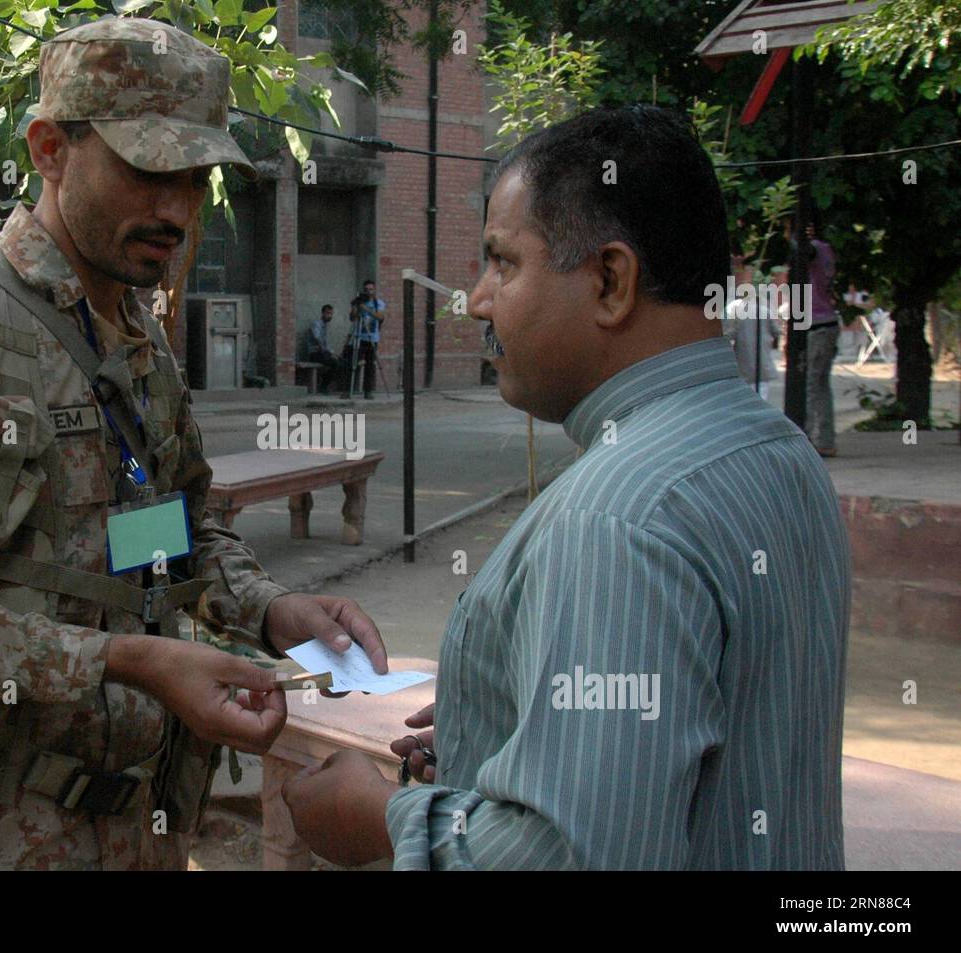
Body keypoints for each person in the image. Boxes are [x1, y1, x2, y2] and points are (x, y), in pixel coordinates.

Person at [0, 16, 386, 871]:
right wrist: (123, 660)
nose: (175, 209)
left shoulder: (138, 340)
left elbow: (161, 537)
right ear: (48, 148)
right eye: (147, 169)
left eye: (194, 178)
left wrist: (268, 610)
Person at [282, 105, 850, 870]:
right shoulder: (778, 451)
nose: (478, 300)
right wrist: (526, 733)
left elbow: (571, 853)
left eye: (503, 263)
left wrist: (386, 815)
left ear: (611, 281)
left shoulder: (614, 517)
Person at [802, 221, 840, 456]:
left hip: (815, 323)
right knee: (822, 385)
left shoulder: (812, 249)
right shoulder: (827, 249)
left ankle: (809, 439)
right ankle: (826, 439)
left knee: (811, 385)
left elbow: (806, 253)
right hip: (828, 322)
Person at [723, 257, 781, 400]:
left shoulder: (738, 311)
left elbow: (730, 334)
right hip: (762, 361)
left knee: (747, 396)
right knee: (762, 394)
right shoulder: (765, 310)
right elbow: (777, 331)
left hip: (744, 361)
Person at [346, 280, 386, 398]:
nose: (368, 292)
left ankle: (368, 391)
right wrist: (355, 307)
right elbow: (352, 319)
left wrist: (365, 308)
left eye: (370, 289)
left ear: (374, 290)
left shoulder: (379, 303)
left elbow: (379, 317)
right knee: (352, 363)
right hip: (359, 337)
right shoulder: (359, 302)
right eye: (366, 290)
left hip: (372, 338)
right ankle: (349, 390)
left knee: (370, 365)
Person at [304, 304, 338, 394]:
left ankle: (325, 384)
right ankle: (323, 387)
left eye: (331, 314)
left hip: (321, 353)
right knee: (334, 363)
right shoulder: (317, 324)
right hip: (314, 353)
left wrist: (331, 352)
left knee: (337, 362)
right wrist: (325, 351)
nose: (329, 316)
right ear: (322, 313)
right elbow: (317, 338)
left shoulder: (325, 326)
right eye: (327, 313)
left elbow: (325, 344)